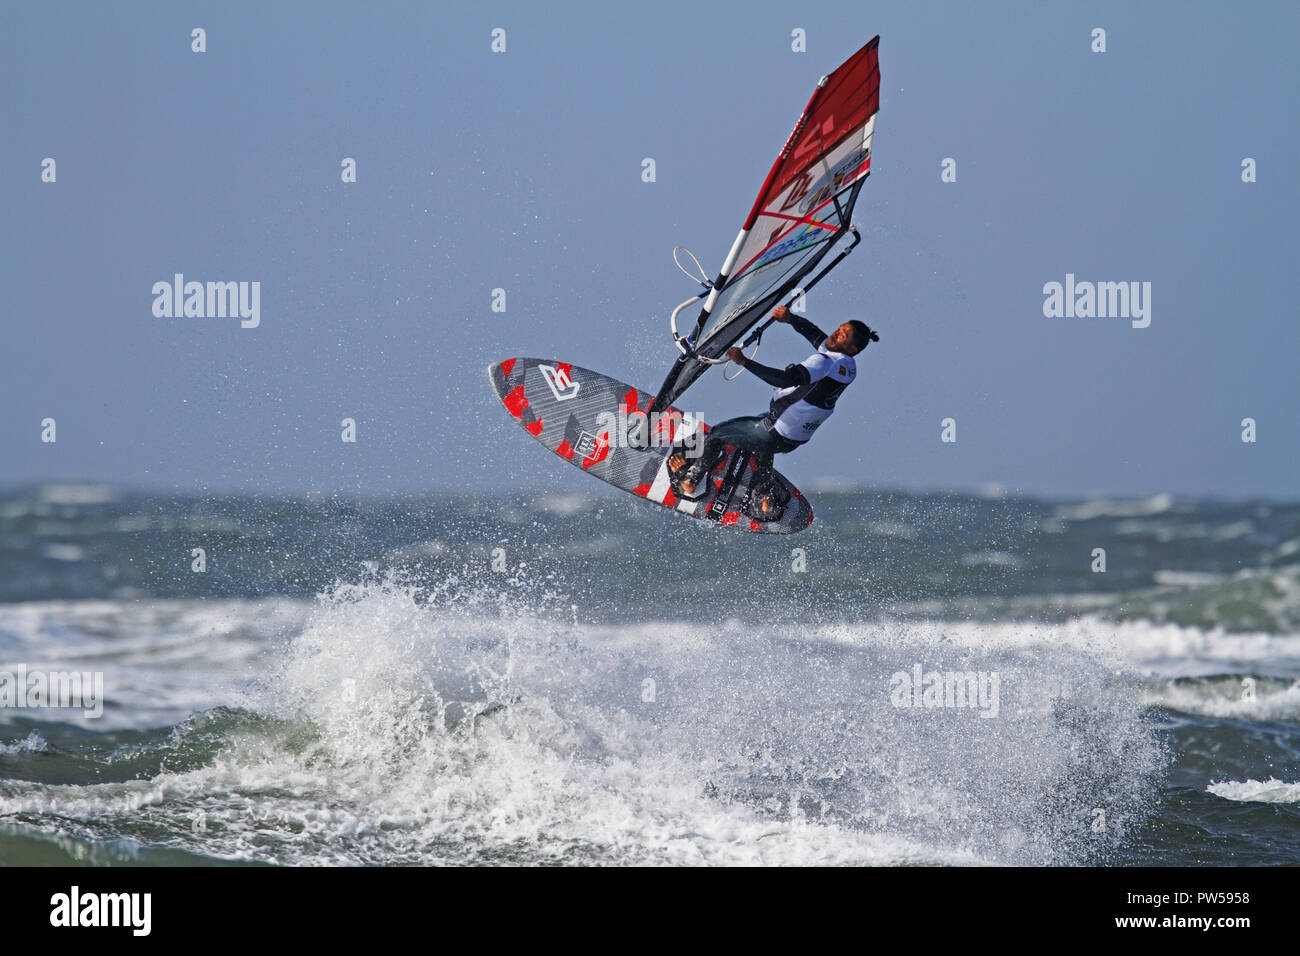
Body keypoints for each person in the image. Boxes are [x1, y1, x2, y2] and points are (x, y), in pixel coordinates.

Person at [667, 305, 879, 499]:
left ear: (853, 349)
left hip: (775, 431)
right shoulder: (849, 368)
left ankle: (690, 479)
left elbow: (784, 379)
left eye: (844, 335)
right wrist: (791, 319)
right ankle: (764, 493)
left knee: (717, 434)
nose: (837, 333)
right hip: (795, 438)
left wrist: (744, 362)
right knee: (763, 440)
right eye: (840, 329)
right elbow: (818, 337)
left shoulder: (824, 362)